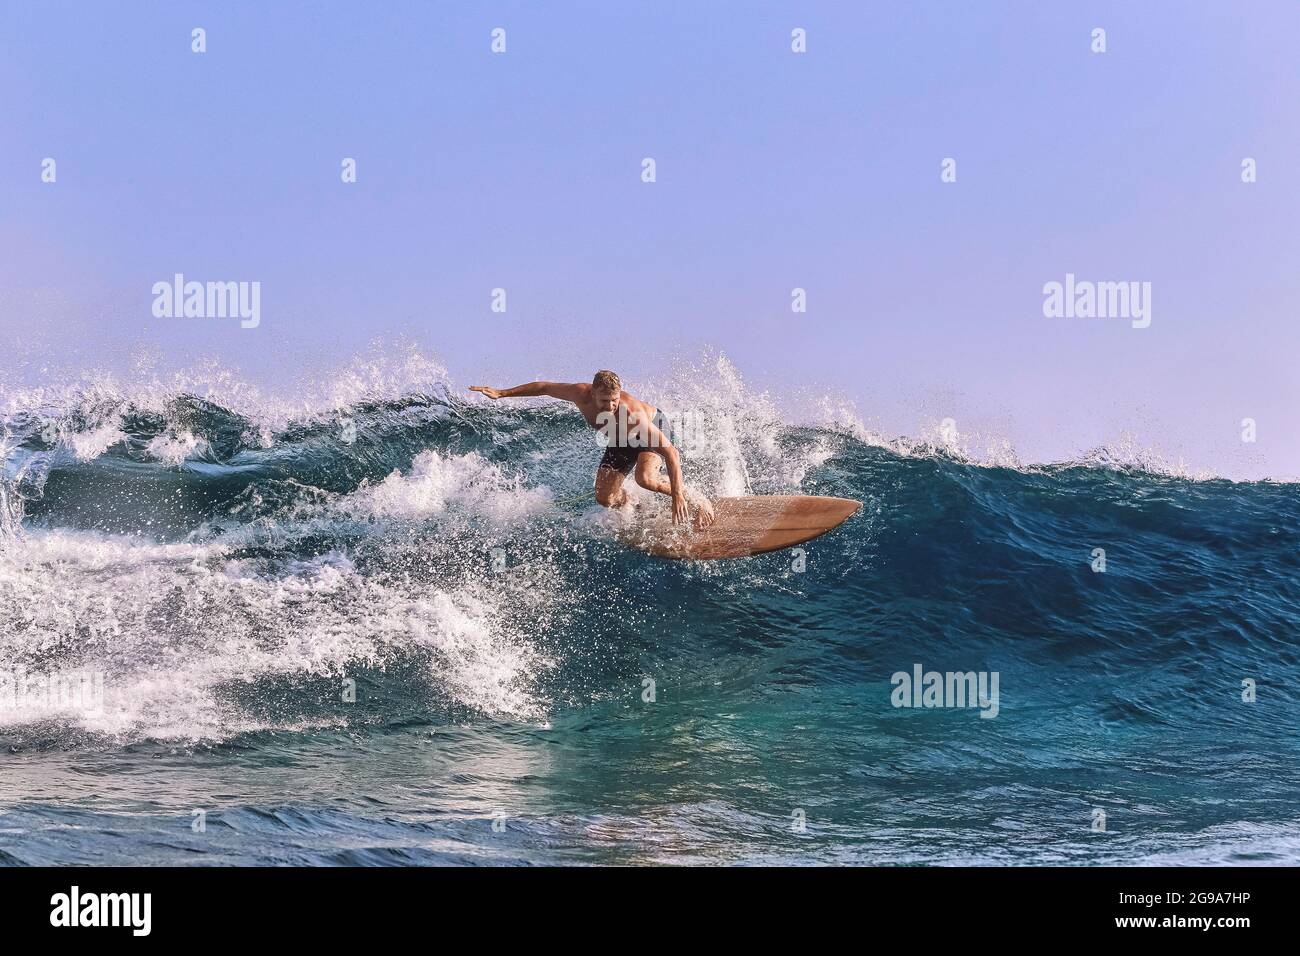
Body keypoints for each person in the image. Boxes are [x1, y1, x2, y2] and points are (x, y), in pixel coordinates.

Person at [469, 370, 715, 526]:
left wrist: (677, 496)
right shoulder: (579, 394)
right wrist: (502, 393)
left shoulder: (633, 415)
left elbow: (671, 453)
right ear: (592, 393)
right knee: (605, 498)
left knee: (645, 479)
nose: (610, 406)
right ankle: (638, 507)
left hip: (648, 430)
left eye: (614, 400)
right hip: (621, 439)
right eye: (604, 400)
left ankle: (694, 497)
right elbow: (543, 387)